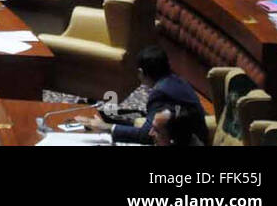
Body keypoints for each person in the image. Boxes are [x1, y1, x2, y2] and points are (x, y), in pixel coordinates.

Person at [76, 46, 208, 145]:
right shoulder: (178, 81)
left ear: (140, 72)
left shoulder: (161, 93)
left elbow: (147, 135)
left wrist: (107, 127)